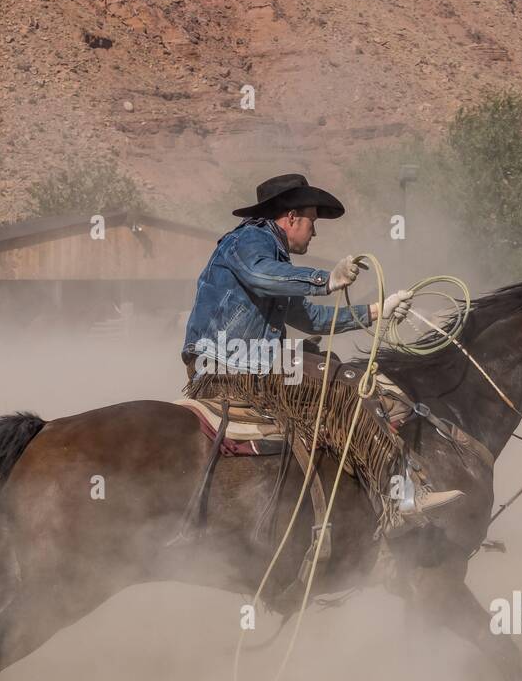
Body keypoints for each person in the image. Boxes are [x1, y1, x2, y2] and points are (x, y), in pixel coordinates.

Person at [182, 173, 463, 525]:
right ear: (291, 218)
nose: (314, 232)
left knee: (332, 366)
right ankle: (402, 494)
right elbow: (260, 274)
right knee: (346, 384)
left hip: (241, 362)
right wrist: (325, 280)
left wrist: (378, 310)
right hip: (233, 364)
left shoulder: (271, 257)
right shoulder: (250, 239)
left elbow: (311, 318)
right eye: (312, 222)